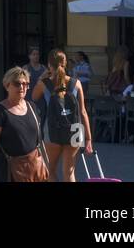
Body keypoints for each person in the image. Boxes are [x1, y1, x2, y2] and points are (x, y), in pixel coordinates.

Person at [32, 49, 92, 182]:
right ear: (65, 63)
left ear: (49, 64)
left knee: (50, 170)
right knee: (69, 172)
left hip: (53, 130)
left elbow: (34, 97)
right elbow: (82, 112)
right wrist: (88, 139)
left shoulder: (44, 84)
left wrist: (43, 77)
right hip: (75, 130)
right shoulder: (76, 83)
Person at [0, 67, 46, 182]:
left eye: (25, 84)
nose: (22, 87)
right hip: (10, 173)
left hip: (34, 171)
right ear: (7, 85)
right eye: (17, 84)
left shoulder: (32, 107)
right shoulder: (0, 112)